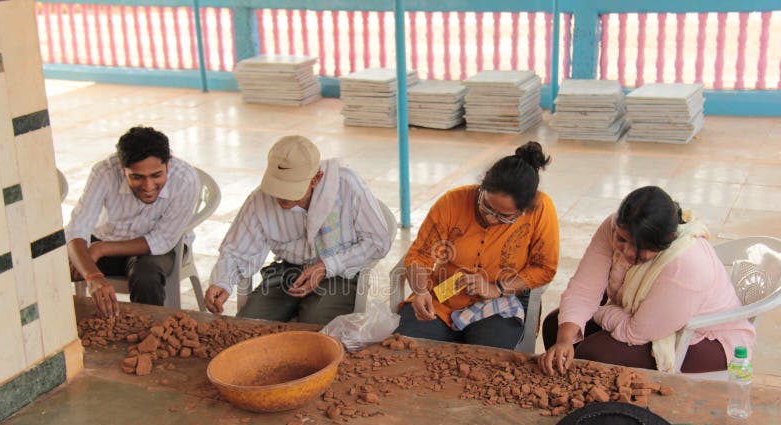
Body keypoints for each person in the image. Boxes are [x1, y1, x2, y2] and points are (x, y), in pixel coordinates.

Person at [539, 186, 756, 376]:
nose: (627, 252)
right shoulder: (614, 226)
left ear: (666, 242)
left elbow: (635, 331)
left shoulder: (686, 263)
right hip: (644, 318)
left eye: (640, 247)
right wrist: (565, 340)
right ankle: (568, 396)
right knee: (556, 326)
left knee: (593, 354)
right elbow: (584, 288)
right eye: (622, 240)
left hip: (704, 338)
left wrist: (596, 310)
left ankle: (611, 415)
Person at [204, 135, 391, 325]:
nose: (282, 197)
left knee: (314, 323)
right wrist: (222, 282)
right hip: (288, 271)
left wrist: (326, 267)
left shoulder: (346, 185)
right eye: (278, 187)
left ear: (316, 178)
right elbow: (236, 251)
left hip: (339, 273)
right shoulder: (260, 199)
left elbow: (377, 242)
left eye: (291, 189)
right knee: (250, 324)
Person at [394, 141, 559, 349]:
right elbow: (421, 255)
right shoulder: (452, 202)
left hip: (498, 305)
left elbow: (545, 268)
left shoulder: (541, 209)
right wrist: (420, 291)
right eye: (487, 207)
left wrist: (496, 288)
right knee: (406, 345)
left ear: (524, 210)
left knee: (486, 356)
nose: (491, 219)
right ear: (482, 186)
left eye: (504, 218)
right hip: (442, 297)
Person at [66, 126, 201, 318]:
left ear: (167, 166)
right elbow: (77, 228)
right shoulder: (104, 172)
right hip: (108, 237)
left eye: (156, 175)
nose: (148, 187)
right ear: (122, 169)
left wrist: (100, 249)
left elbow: (162, 240)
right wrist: (92, 276)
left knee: (146, 277)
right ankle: (68, 332)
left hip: (158, 250)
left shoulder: (185, 179)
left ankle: (151, 335)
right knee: (54, 265)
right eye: (137, 177)